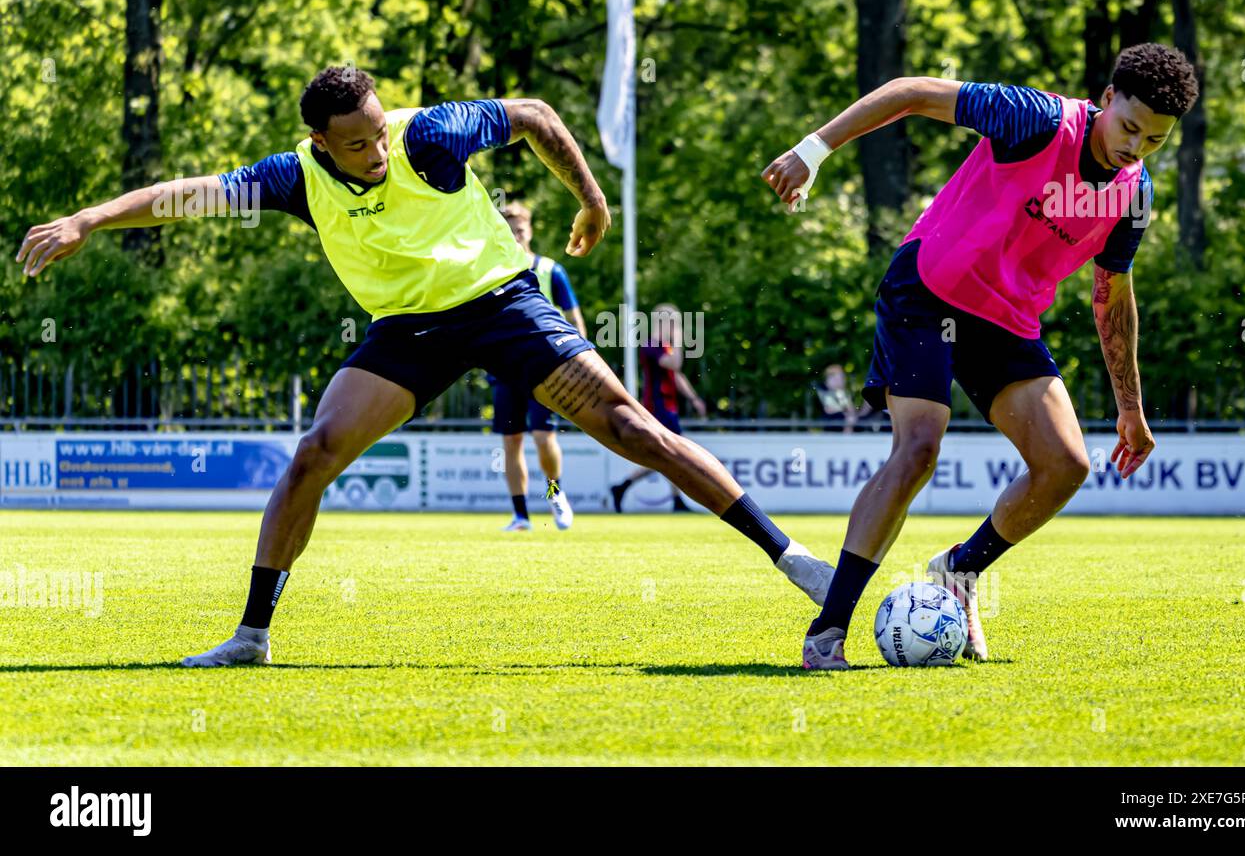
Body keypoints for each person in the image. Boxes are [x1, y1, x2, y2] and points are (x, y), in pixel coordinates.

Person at [17, 66, 834, 667]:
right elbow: (189, 193)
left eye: (377, 131)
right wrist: (90, 218)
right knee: (314, 455)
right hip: (409, 332)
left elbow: (537, 115)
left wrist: (591, 199)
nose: (375, 150)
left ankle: (792, 558)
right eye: (355, 143)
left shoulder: (431, 134)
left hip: (500, 305)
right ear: (318, 143)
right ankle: (252, 635)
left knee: (631, 428)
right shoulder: (294, 179)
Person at [763, 43, 1199, 669]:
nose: (1136, 147)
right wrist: (813, 150)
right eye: (1130, 127)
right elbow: (911, 91)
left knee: (1066, 463)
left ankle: (958, 572)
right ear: (1105, 99)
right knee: (919, 448)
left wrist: (1131, 407)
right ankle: (828, 630)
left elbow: (1112, 299)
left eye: (1154, 142)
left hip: (1005, 321)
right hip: (928, 289)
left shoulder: (1133, 197)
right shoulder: (1037, 120)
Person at [489, 201, 584, 532]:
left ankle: (555, 494)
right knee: (511, 442)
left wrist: (578, 361)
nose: (515, 234)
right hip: (503, 367)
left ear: (530, 231)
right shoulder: (490, 270)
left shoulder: (550, 270)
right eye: (509, 228)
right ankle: (520, 516)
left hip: (545, 366)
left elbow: (575, 319)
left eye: (520, 229)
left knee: (544, 437)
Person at [610, 303, 707, 513]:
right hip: (658, 407)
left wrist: (693, 398)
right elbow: (675, 365)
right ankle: (627, 487)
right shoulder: (651, 345)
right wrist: (680, 340)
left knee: (668, 455)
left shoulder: (664, 346)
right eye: (674, 324)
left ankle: (626, 488)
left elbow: (676, 376)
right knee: (673, 453)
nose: (675, 329)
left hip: (668, 406)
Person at [814, 364, 868, 433]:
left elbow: (851, 410)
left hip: (843, 420)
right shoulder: (826, 393)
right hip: (832, 421)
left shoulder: (842, 393)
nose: (842, 381)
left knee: (853, 419)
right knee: (850, 419)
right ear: (829, 380)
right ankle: (846, 436)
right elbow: (829, 409)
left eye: (842, 378)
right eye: (839, 378)